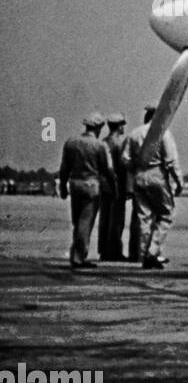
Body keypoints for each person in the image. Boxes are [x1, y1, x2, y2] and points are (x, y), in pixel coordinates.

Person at [122, 104, 183, 269]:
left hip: (139, 175)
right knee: (166, 214)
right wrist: (179, 182)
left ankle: (143, 254)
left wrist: (136, 167)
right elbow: (171, 161)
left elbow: (125, 159)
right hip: (157, 175)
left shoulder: (134, 134)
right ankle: (152, 251)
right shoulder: (164, 134)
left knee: (144, 217)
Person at [58, 113, 113, 268]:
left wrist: (62, 186)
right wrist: (113, 186)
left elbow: (64, 167)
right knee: (85, 222)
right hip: (91, 186)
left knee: (77, 221)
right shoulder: (99, 145)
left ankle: (77, 253)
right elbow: (107, 169)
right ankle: (78, 257)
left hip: (74, 184)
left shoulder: (71, 142)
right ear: (99, 127)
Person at [98, 112, 129, 260]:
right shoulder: (122, 142)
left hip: (104, 186)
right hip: (118, 185)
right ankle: (115, 251)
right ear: (119, 126)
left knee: (104, 218)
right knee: (117, 220)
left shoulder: (103, 142)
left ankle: (104, 250)